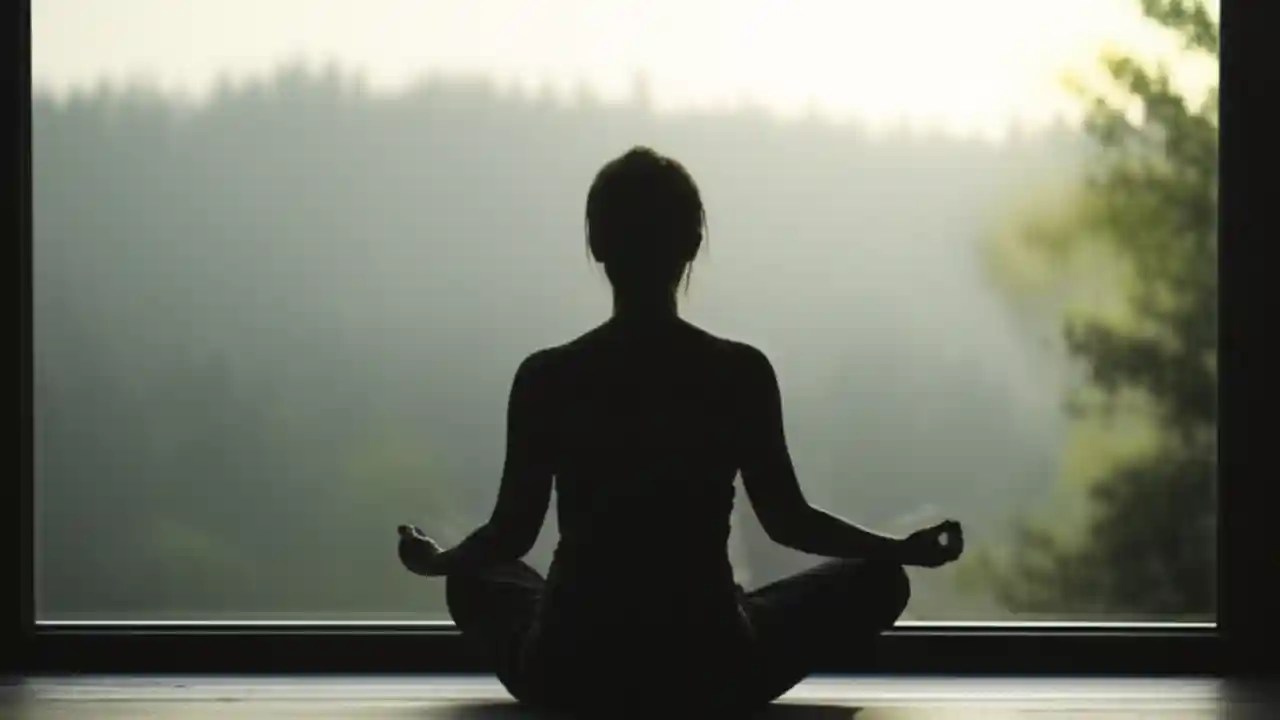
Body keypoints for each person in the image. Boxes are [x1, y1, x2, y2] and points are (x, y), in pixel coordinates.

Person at [397, 146, 964, 714]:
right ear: (692, 244)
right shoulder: (739, 372)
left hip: (569, 666)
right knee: (879, 582)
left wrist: (439, 562)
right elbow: (789, 520)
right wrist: (900, 550)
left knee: (473, 579)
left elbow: (509, 535)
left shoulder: (548, 376)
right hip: (713, 663)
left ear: (597, 245)